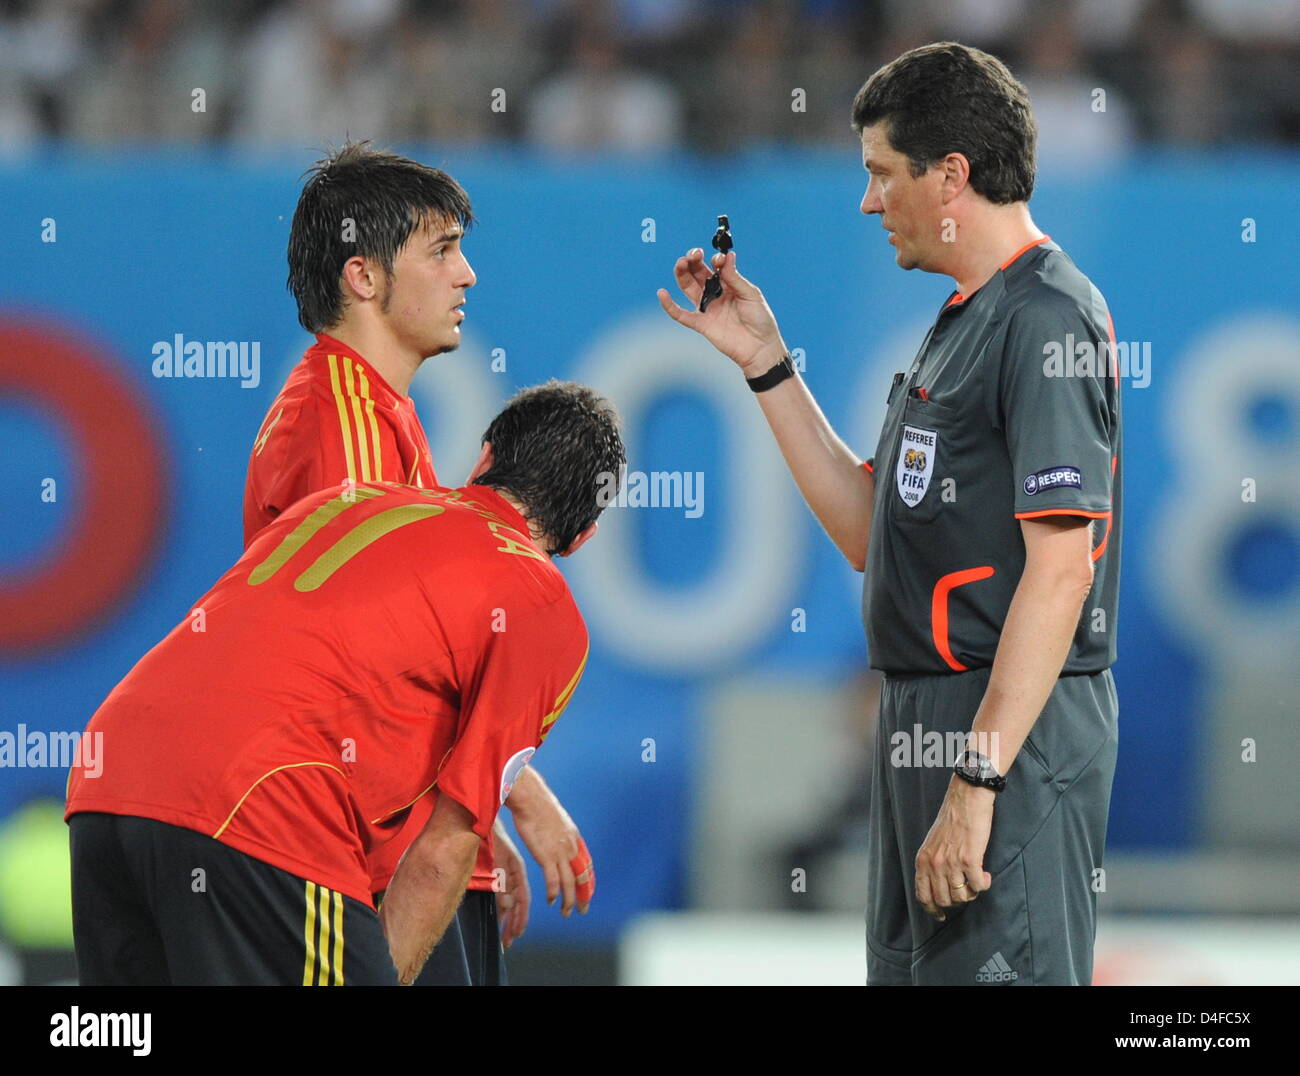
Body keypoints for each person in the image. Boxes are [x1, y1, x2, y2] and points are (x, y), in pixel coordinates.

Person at [659, 41, 1122, 986]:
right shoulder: (966, 318)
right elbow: (873, 530)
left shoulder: (1046, 319)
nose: (868, 202)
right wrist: (766, 365)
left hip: (1007, 730)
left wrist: (980, 776)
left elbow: (1064, 569)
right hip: (927, 721)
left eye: (880, 174)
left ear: (951, 175)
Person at [66, 381, 624, 986]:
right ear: (582, 536)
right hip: (257, 806)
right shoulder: (542, 603)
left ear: (484, 458)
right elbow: (447, 845)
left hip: (106, 779)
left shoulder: (339, 501)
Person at [246, 141, 593, 985]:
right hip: (370, 862)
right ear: (363, 278)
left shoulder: (375, 415)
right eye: (441, 251)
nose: (467, 275)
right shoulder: (344, 425)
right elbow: (355, 677)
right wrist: (514, 801)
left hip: (400, 845)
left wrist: (487, 823)